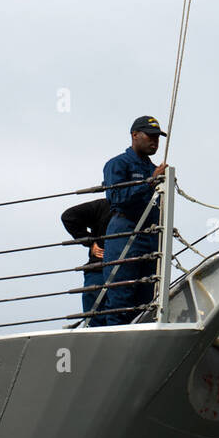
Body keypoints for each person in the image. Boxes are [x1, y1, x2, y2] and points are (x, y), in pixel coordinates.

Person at [100, 117, 166, 326]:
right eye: (150, 136)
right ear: (134, 135)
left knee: (147, 300)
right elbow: (116, 198)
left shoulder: (154, 169)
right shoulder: (118, 164)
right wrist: (149, 183)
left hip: (150, 235)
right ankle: (115, 348)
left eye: (157, 137)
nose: (154, 141)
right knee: (121, 298)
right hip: (126, 231)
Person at [60, 198, 112, 325]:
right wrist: (90, 242)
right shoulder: (104, 206)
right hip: (99, 272)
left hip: (104, 272)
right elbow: (69, 217)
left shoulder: (105, 206)